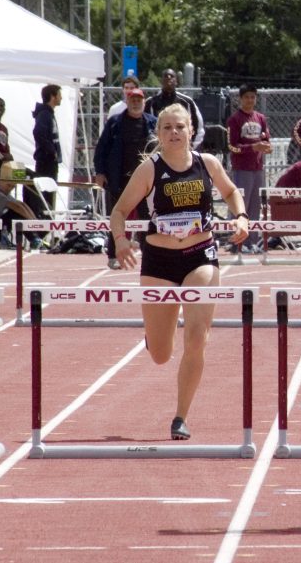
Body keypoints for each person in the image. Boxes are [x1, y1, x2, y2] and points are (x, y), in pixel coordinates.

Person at [109, 104, 249, 441]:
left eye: (180, 127)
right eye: (167, 128)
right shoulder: (150, 169)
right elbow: (119, 210)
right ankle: (157, 333)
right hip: (158, 260)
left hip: (200, 255)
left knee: (198, 337)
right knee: (161, 354)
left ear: (191, 132)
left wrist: (241, 216)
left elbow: (230, 192)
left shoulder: (207, 164)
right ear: (158, 134)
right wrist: (121, 241)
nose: (174, 133)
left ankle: (180, 416)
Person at [94, 86, 158, 269]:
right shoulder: (115, 122)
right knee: (117, 217)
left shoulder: (153, 123)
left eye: (139, 100)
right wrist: (100, 172)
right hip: (119, 180)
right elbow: (101, 149)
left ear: (144, 102)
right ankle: (113, 255)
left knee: (147, 219)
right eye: (133, 99)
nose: (136, 103)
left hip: (146, 182)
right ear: (127, 102)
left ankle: (149, 256)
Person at [227, 83, 272, 252]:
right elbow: (232, 146)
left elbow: (266, 138)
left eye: (253, 97)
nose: (250, 100)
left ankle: (252, 241)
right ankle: (237, 241)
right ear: (240, 99)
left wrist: (267, 146)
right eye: (246, 97)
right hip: (242, 169)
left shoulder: (260, 118)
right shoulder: (234, 119)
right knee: (241, 205)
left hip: (258, 168)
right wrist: (251, 148)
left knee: (255, 205)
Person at [0, 162, 41, 249]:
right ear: (0, 181)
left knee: (16, 211)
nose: (9, 188)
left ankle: (36, 238)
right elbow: (17, 208)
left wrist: (37, 222)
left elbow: (21, 204)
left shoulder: (5, 194)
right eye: (8, 185)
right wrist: (34, 223)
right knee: (14, 212)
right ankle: (34, 239)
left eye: (13, 187)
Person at [144, 68, 205, 149]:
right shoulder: (150, 103)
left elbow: (199, 127)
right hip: (158, 151)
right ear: (161, 81)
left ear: (176, 81)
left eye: (172, 76)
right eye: (166, 76)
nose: (169, 78)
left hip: (183, 151)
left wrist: (191, 146)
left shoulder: (187, 102)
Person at [30, 83, 62, 215]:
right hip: (46, 161)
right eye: (59, 95)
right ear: (52, 96)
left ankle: (48, 222)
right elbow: (38, 133)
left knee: (50, 195)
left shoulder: (49, 114)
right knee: (46, 195)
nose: (61, 98)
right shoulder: (44, 114)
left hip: (50, 161)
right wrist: (51, 151)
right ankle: (44, 223)